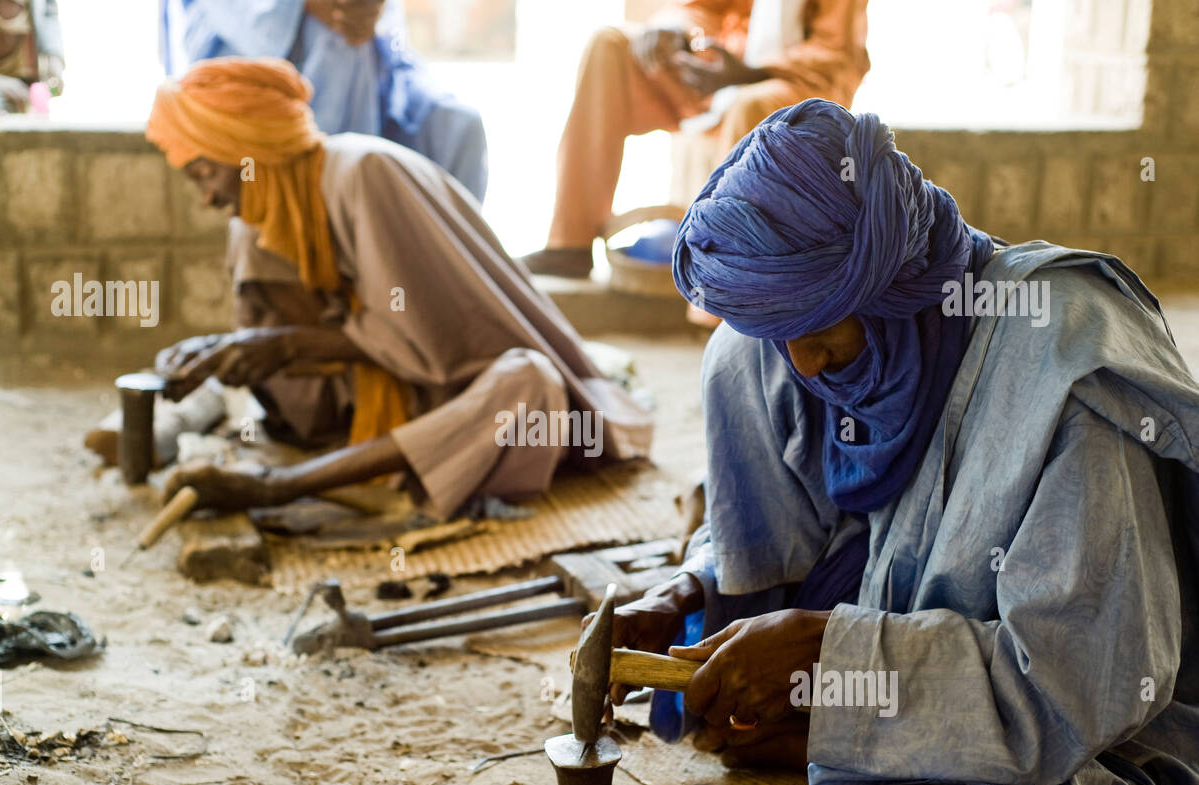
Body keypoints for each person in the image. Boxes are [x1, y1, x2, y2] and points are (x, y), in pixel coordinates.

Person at [605, 99, 1199, 785]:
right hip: (881, 649)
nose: (807, 364)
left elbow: (1079, 688)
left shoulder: (1061, 368)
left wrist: (828, 655)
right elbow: (820, 529)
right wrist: (687, 590)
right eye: (791, 337)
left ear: (897, 288)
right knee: (738, 357)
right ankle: (828, 736)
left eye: (821, 333)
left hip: (1074, 738)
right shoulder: (798, 352)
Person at [142, 57, 652, 521]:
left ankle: (282, 485)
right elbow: (300, 338)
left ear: (249, 151)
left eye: (205, 173)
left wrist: (287, 346)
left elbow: (436, 343)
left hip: (462, 386)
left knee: (530, 382)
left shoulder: (364, 173)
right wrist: (226, 354)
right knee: (247, 235)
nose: (207, 197)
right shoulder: (264, 210)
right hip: (388, 387)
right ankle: (368, 459)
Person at [520, 0, 869, 279]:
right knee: (609, 44)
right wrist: (677, 31)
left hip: (793, 84)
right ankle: (570, 246)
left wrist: (750, 73)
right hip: (718, 73)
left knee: (751, 107)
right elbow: (703, 8)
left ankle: (717, 297)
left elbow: (836, 56)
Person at [159, 0, 488, 203]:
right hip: (247, 57)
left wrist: (363, 11)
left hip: (376, 69)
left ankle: (462, 274)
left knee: (460, 125)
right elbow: (250, 22)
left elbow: (390, 29)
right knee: (334, 43)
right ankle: (340, 198)